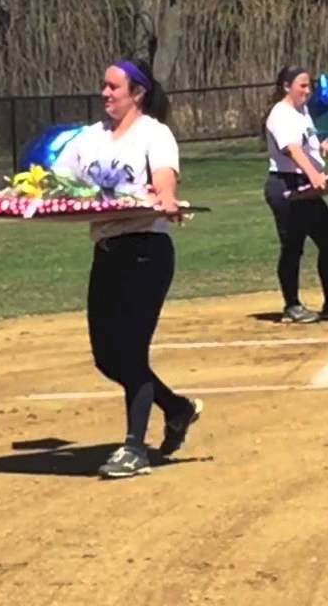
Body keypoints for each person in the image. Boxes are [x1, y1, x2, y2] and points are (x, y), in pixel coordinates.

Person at [51, 58, 202, 479]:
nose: (105, 93)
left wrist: (167, 197)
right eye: (104, 86)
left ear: (137, 93)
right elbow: (59, 181)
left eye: (114, 87)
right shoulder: (89, 138)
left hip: (148, 250)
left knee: (132, 351)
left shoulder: (155, 133)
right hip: (107, 251)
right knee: (106, 357)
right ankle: (177, 408)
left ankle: (134, 448)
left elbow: (164, 178)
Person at [262, 65, 328, 323]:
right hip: (286, 184)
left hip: (307, 184)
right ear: (287, 87)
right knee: (293, 246)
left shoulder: (305, 112)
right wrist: (313, 174)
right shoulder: (280, 114)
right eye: (302, 86)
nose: (308, 91)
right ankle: (292, 305)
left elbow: (324, 141)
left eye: (310, 86)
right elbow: (292, 150)